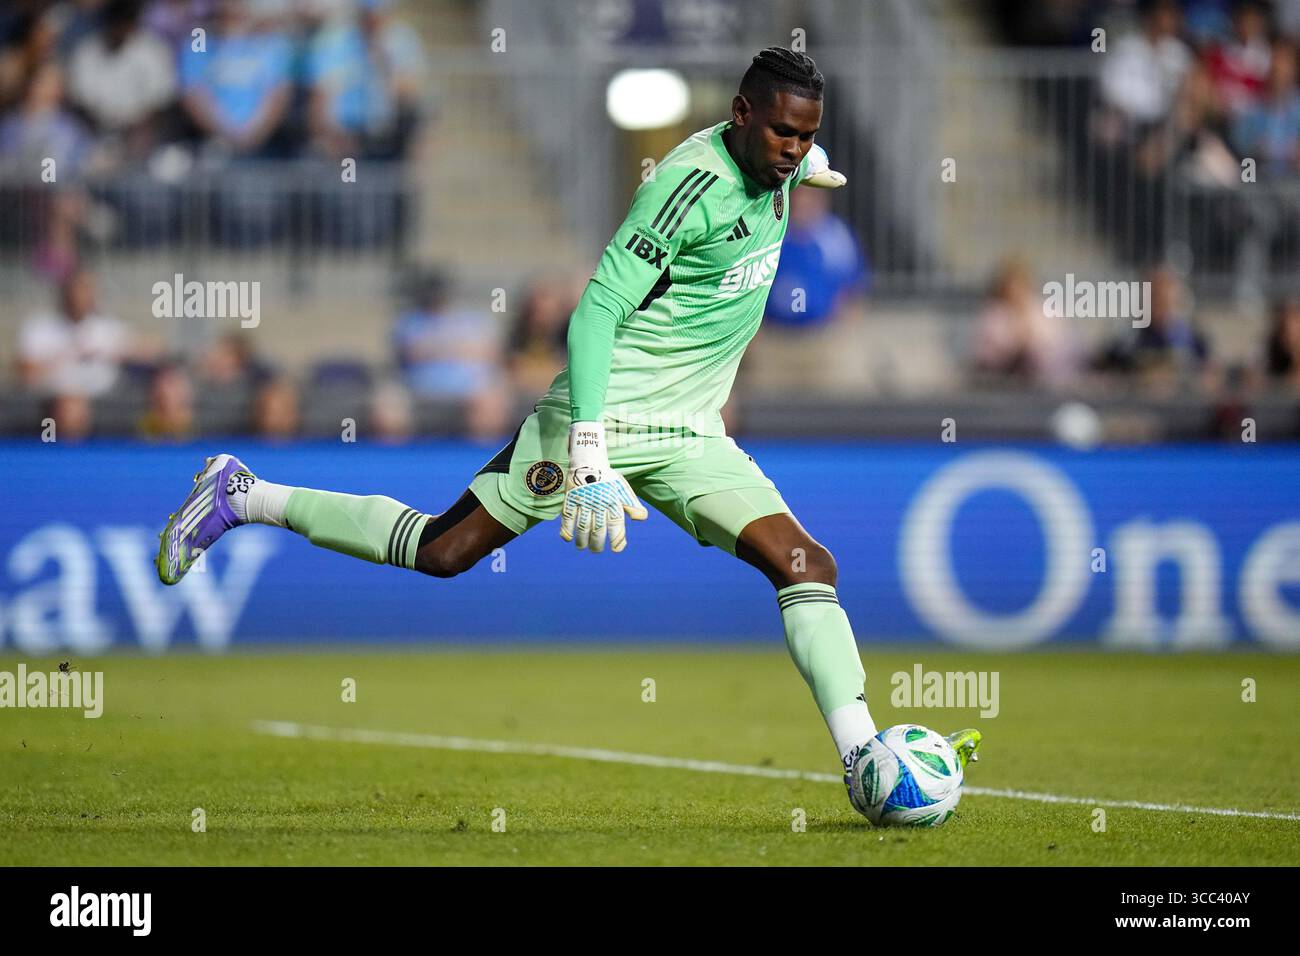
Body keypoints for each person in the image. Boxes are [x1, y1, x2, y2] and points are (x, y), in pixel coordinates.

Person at [153, 48, 980, 809]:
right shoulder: (686, 186)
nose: (795, 152)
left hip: (693, 433)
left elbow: (802, 168)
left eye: (808, 138)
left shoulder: (785, 166)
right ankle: (245, 495)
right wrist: (587, 444)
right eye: (783, 133)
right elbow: (595, 314)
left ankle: (862, 756)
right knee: (446, 551)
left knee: (806, 564)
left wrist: (815, 166)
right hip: (605, 412)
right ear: (739, 114)